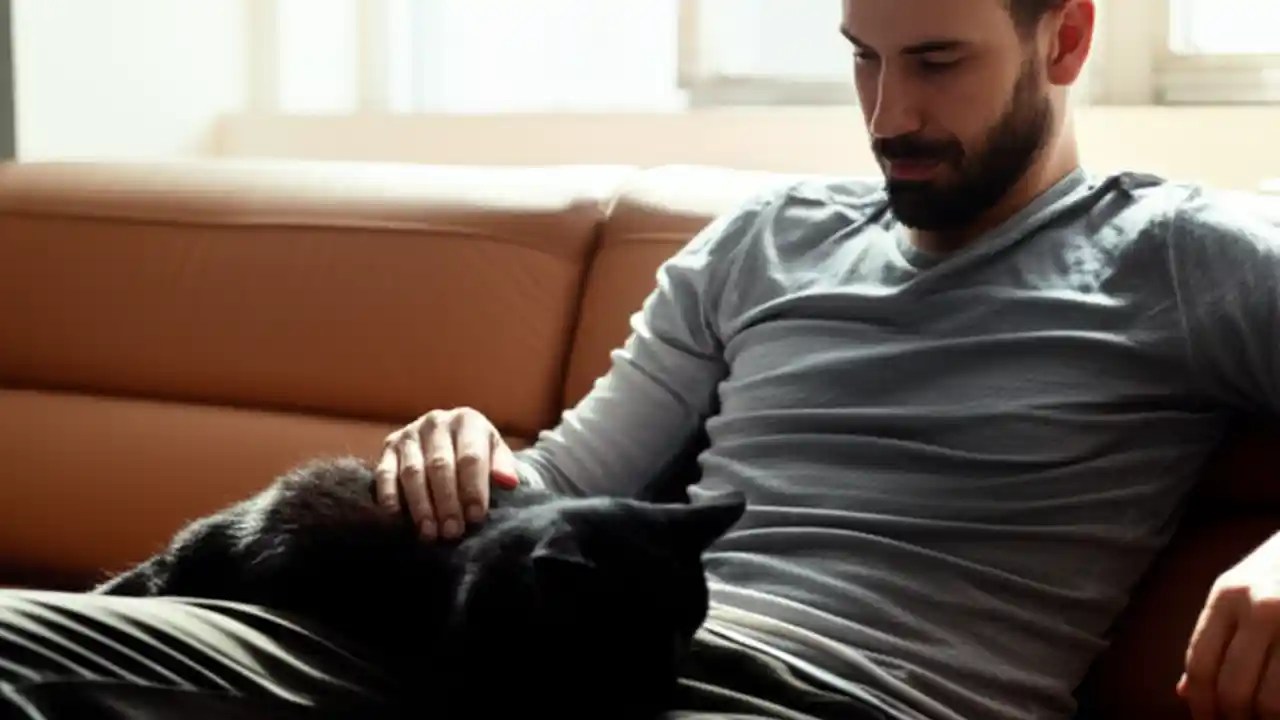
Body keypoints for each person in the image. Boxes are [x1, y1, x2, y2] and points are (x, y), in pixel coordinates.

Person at [2, 1, 1278, 719]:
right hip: (521, 667)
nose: (889, 116)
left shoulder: (1169, 253)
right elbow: (564, 483)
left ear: (1062, 41)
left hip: (825, 701)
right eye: (861, 59)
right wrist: (465, 462)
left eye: (936, 62)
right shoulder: (761, 243)